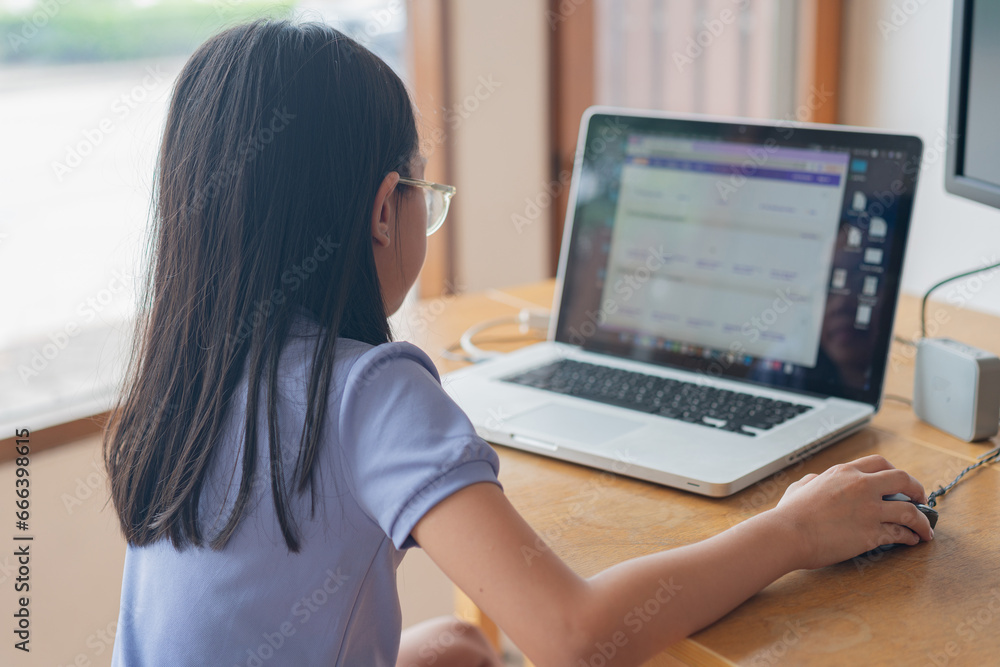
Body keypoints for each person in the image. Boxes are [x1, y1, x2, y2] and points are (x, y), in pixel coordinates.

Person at [104, 19, 934, 667]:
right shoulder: (367, 391)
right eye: (423, 192)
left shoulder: (183, 374)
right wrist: (792, 531)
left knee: (461, 646)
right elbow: (574, 636)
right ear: (386, 207)